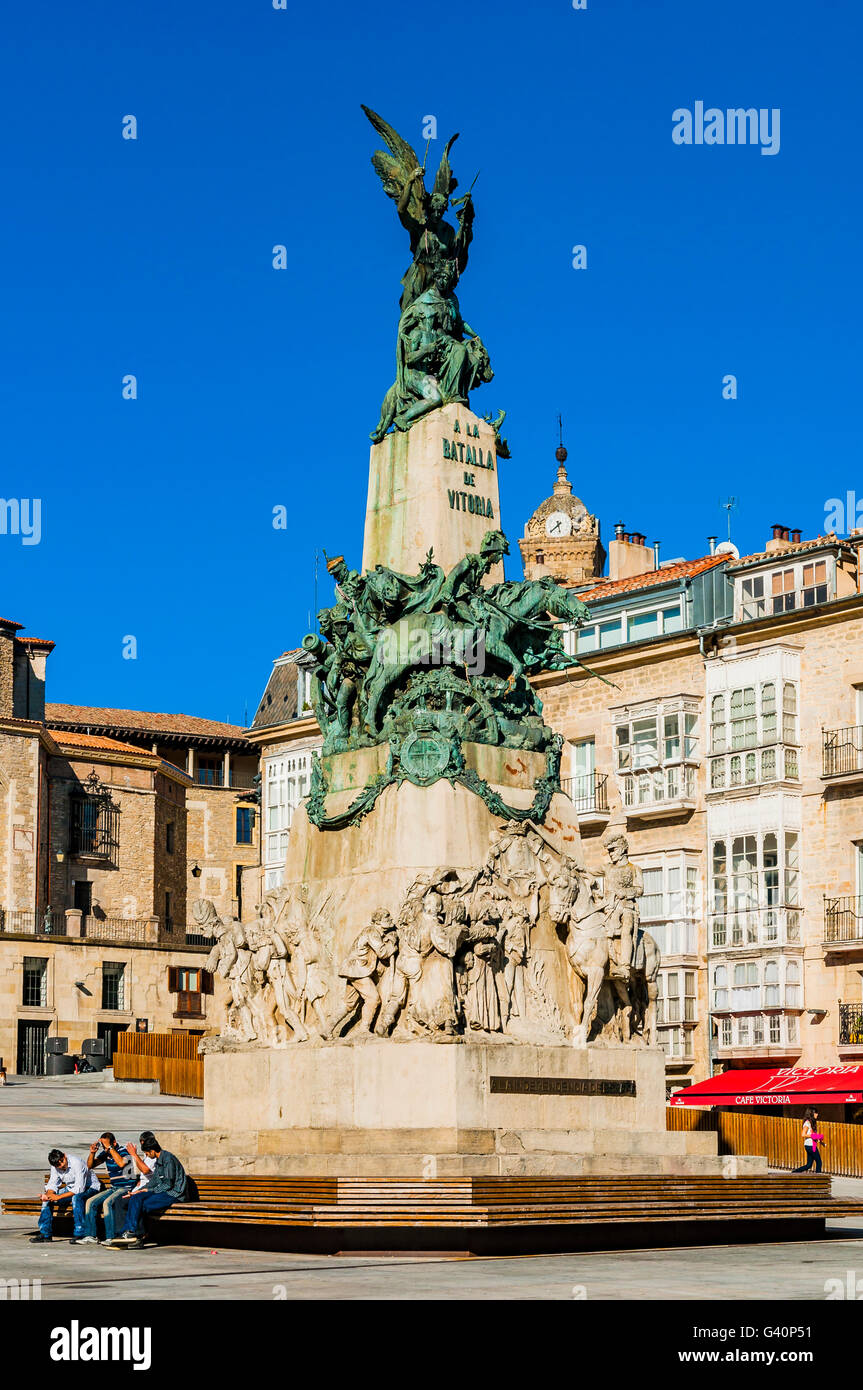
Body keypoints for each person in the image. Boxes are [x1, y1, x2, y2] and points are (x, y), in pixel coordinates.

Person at [105, 1132, 187, 1248]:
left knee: (139, 1203)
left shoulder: (168, 1159)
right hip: (165, 1192)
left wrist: (148, 1191)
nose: (147, 1155)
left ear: (153, 1150)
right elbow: (154, 1181)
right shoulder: (160, 1160)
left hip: (174, 1194)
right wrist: (141, 1190)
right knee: (135, 1199)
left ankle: (133, 1233)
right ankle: (129, 1235)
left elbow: (168, 1184)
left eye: (147, 1153)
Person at [31, 1148, 100, 1243]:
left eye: (62, 1161)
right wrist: (49, 1195)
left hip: (90, 1187)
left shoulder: (77, 1163)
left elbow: (79, 1189)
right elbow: (52, 1184)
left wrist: (58, 1197)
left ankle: (80, 1233)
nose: (62, 1165)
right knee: (46, 1201)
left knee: (77, 1198)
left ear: (64, 1155)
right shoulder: (55, 1166)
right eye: (58, 1165)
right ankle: (45, 1234)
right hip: (71, 1188)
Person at [83, 1132, 137, 1245]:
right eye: (103, 1146)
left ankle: (111, 1237)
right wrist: (92, 1153)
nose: (104, 1148)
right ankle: (91, 1235)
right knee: (90, 1202)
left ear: (114, 1143)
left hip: (126, 1187)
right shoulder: (106, 1153)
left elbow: (122, 1163)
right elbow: (90, 1166)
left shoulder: (124, 1151)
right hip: (114, 1188)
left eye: (106, 1145)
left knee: (107, 1203)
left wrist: (110, 1148)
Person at [793, 1108, 824, 1173]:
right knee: (819, 1162)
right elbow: (803, 1134)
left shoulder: (811, 1123)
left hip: (809, 1145)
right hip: (810, 1145)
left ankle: (795, 1172)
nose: (817, 1114)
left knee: (809, 1165)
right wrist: (813, 1136)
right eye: (816, 1113)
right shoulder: (807, 1123)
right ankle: (818, 1179)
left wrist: (818, 1140)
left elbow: (811, 1135)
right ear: (812, 1113)